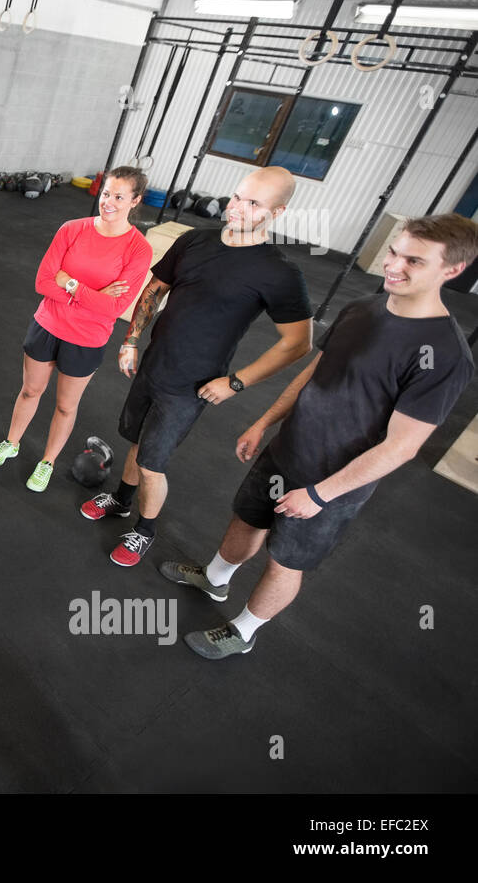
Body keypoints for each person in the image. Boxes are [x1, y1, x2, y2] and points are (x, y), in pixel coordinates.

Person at [159, 214, 476, 658]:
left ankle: (244, 631)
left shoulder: (444, 356)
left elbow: (402, 447)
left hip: (332, 485)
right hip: (287, 450)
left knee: (285, 560)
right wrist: (264, 421)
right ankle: (213, 580)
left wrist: (321, 495)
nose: (393, 266)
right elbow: (313, 373)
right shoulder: (362, 307)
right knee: (246, 518)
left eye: (414, 261)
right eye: (394, 252)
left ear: (452, 270)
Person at [80, 166, 314, 567]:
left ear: (276, 213)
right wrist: (132, 340)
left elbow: (298, 343)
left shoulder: (279, 272)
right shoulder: (194, 240)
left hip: (192, 386)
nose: (237, 208)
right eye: (238, 197)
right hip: (153, 365)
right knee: (137, 441)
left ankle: (144, 530)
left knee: (153, 463)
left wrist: (236, 383)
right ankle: (121, 499)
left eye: (253, 204)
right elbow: (155, 290)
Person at [0, 167, 152, 492]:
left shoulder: (138, 249)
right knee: (30, 391)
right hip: (47, 324)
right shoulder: (72, 229)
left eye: (119, 197)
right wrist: (92, 295)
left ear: (135, 201)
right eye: (106, 193)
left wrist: (71, 284)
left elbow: (116, 308)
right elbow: (43, 281)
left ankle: (46, 462)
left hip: (87, 338)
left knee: (65, 405)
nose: (109, 202)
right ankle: (12, 442)